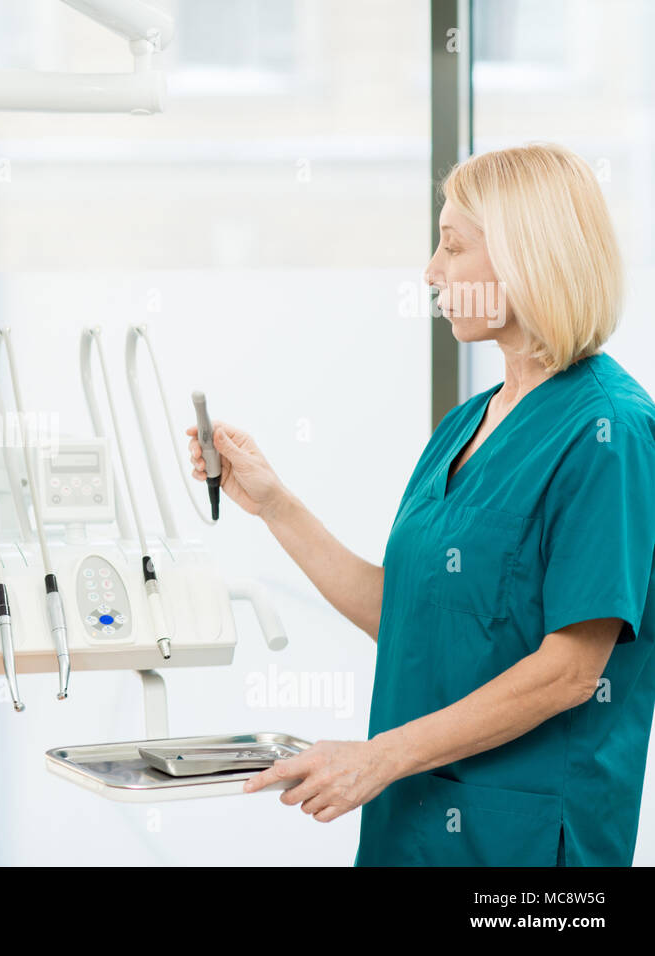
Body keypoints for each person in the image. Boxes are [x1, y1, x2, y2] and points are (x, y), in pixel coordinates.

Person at [187, 143, 655, 866]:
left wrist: (380, 756)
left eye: (452, 244)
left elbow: (570, 670)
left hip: (523, 845)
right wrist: (274, 504)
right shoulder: (464, 426)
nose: (432, 270)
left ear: (529, 256)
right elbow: (408, 616)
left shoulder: (608, 432)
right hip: (412, 826)